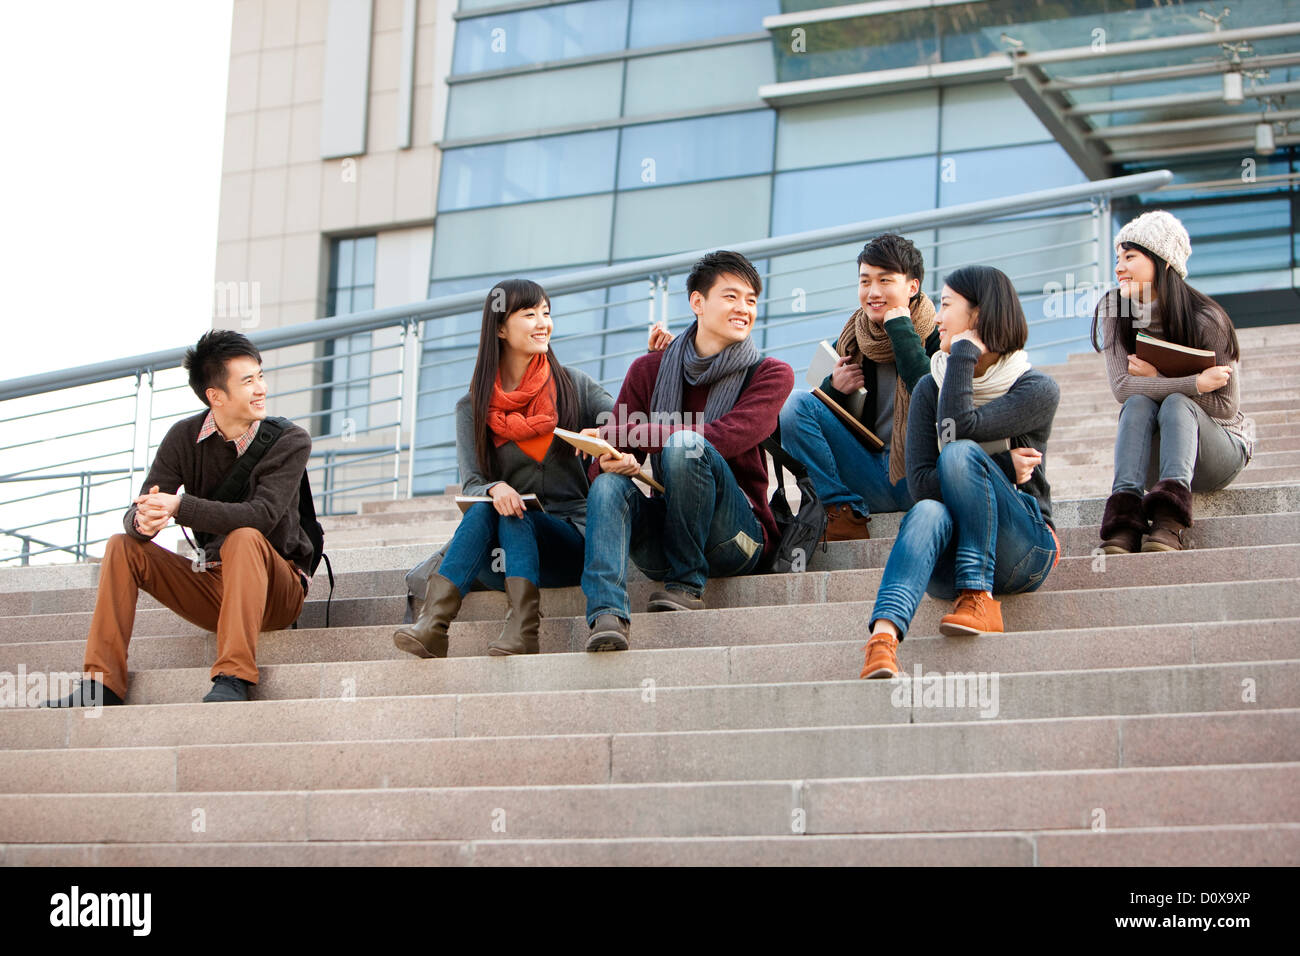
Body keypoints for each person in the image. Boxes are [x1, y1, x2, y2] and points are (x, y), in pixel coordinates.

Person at [45, 331, 314, 706]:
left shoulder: (289, 440)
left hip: (277, 587)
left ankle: (234, 676)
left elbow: (262, 516)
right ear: (215, 396)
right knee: (122, 547)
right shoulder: (183, 437)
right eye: (248, 381)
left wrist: (179, 507)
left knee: (244, 536)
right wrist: (143, 522)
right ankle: (101, 684)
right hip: (216, 585)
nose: (261, 389)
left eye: (260, 376)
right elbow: (146, 503)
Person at [582, 250, 795, 651]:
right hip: (663, 537)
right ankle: (607, 613)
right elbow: (606, 455)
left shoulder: (770, 374)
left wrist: (633, 434)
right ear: (697, 302)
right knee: (610, 485)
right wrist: (616, 460)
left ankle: (687, 585)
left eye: (751, 300)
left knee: (687, 445)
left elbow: (723, 437)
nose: (744, 309)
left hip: (736, 539)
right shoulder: (649, 370)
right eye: (731, 297)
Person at [393, 279, 615, 658]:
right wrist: (495, 488)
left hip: (569, 544)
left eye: (546, 313)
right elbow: (473, 482)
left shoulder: (574, 386)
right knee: (493, 506)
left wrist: (606, 429)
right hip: (506, 558)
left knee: (515, 512)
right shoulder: (472, 409)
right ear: (500, 328)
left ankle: (519, 628)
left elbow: (620, 413)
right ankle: (435, 625)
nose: (543, 322)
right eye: (530, 314)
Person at [860, 266, 1061, 679]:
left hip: (1022, 549)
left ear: (979, 314)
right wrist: (1005, 466)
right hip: (946, 561)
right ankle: (883, 638)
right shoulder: (928, 389)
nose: (936, 316)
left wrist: (964, 354)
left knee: (957, 455)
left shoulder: (1036, 388)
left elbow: (959, 429)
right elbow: (919, 486)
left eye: (947, 304)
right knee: (928, 511)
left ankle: (979, 594)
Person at [1091, 210, 1252, 554]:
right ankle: (1124, 521)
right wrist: (1191, 381)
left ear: (1163, 262)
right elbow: (1122, 388)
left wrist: (1161, 382)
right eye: (1117, 258)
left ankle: (1169, 523)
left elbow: (1226, 407)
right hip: (1155, 455)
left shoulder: (1206, 319)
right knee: (1137, 402)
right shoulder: (1114, 308)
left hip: (1216, 453)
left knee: (1179, 404)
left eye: (1130, 257)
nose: (1118, 267)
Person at [779, 234, 940, 540]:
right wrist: (835, 389)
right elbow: (813, 424)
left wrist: (900, 329)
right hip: (868, 473)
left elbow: (931, 397)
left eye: (885, 281)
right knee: (794, 406)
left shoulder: (938, 336)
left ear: (912, 287)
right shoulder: (854, 338)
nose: (873, 292)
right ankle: (843, 513)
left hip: (918, 478)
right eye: (865, 282)